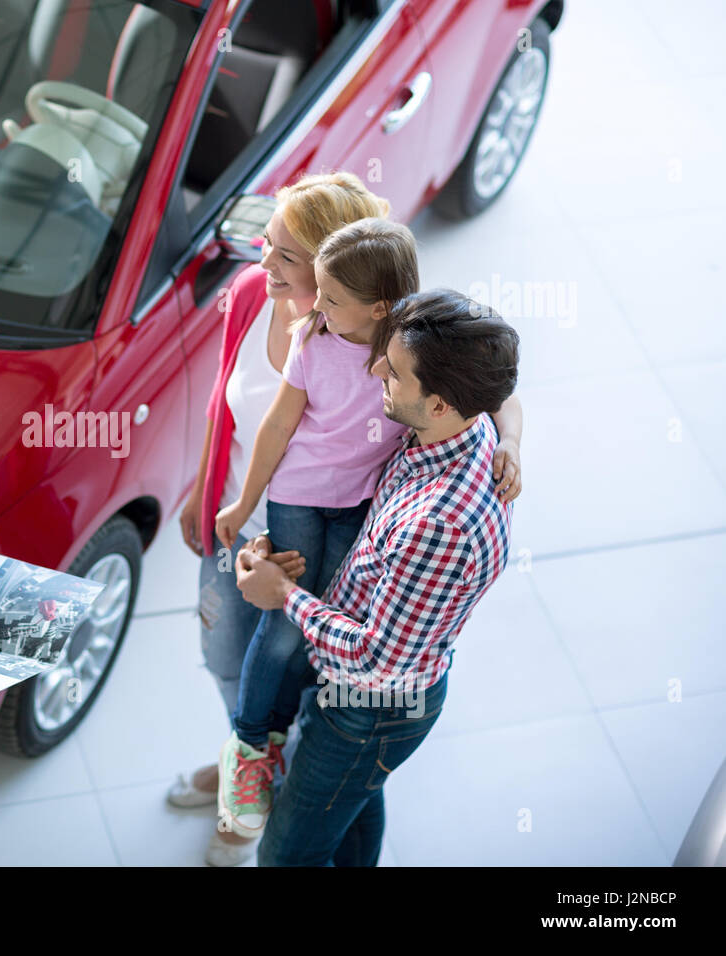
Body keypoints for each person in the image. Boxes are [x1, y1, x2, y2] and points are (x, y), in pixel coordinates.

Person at [169, 173, 523, 865]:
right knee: (226, 655)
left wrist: (511, 443)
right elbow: (231, 403)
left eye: (284, 256)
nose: (263, 264)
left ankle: (267, 774)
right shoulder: (270, 305)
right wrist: (216, 493)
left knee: (292, 663)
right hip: (256, 517)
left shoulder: (411, 357)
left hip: (339, 574)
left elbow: (496, 383)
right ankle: (250, 755)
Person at [234, 288, 521, 866]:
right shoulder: (459, 418)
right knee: (355, 803)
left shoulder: (442, 526)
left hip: (370, 709)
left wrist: (282, 594)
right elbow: (506, 394)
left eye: (393, 373)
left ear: (439, 403)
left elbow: (375, 659)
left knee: (286, 856)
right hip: (359, 693)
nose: (376, 371)